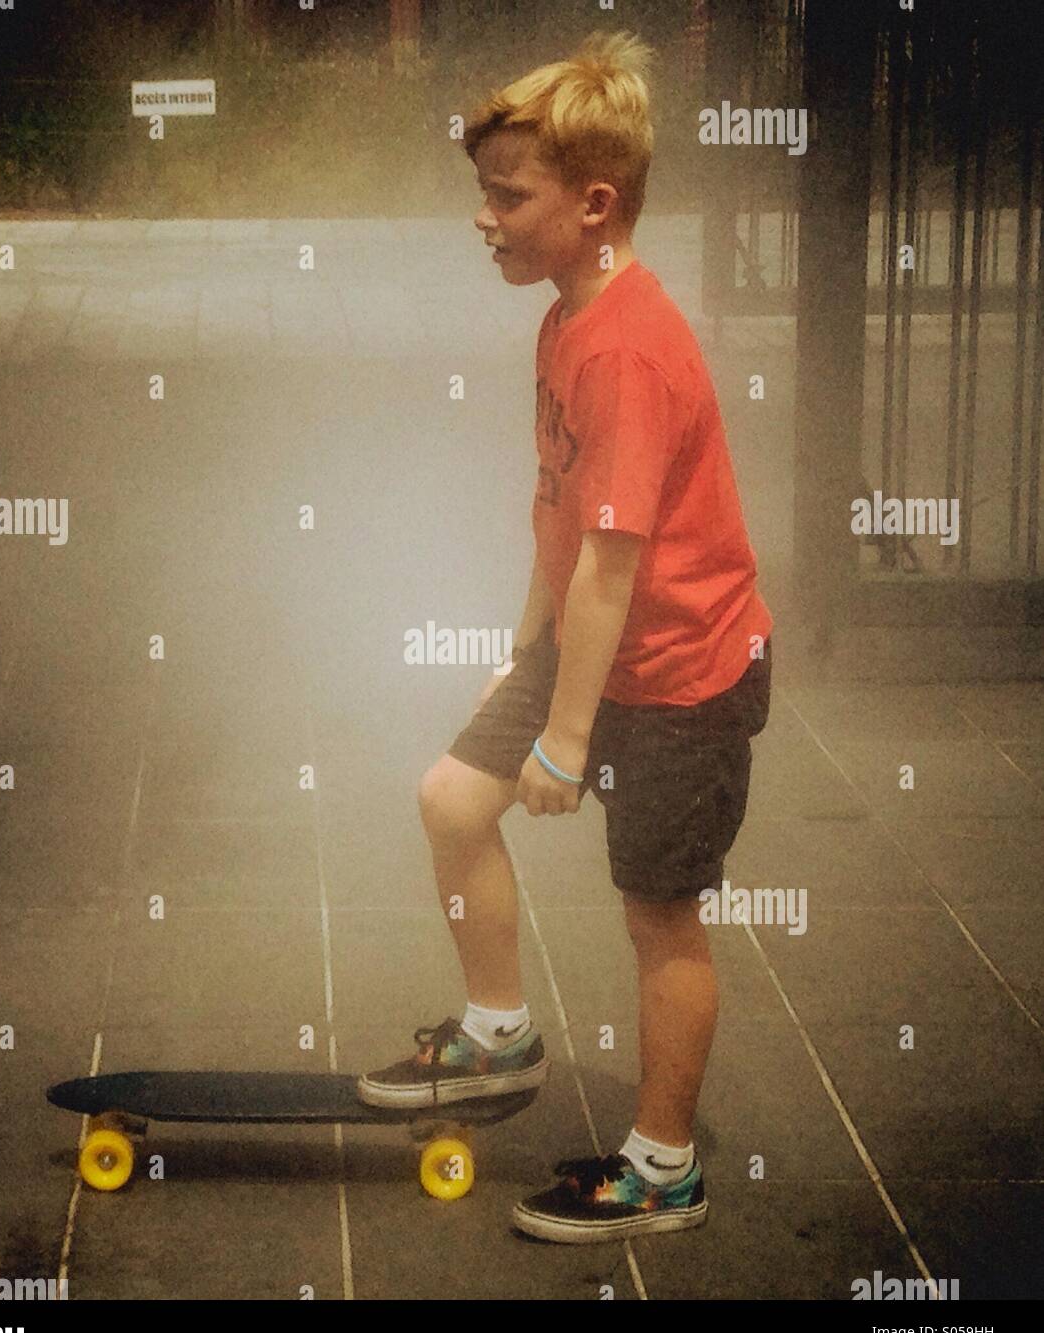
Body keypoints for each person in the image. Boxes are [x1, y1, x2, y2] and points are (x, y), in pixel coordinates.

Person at [358, 30, 773, 1243]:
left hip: (683, 674)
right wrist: (521, 658)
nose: (484, 219)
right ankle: (499, 1031)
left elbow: (615, 559)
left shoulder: (630, 346)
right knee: (450, 800)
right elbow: (560, 511)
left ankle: (662, 1168)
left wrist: (565, 736)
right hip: (589, 653)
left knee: (658, 915)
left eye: (507, 195)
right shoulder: (566, 317)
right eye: (480, 192)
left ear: (595, 204)